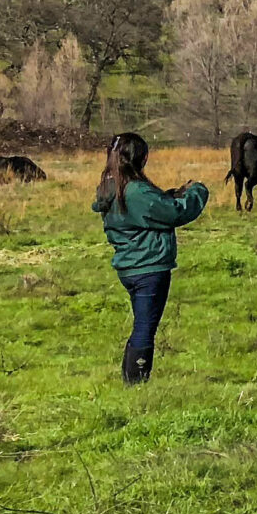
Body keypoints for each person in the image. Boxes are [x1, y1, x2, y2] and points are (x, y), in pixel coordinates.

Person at [93, 132, 207, 386]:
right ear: (138, 158)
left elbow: (147, 211)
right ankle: (136, 384)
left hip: (129, 266)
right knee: (145, 328)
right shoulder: (135, 190)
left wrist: (168, 194)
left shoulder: (111, 187)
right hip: (149, 267)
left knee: (142, 324)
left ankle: (130, 381)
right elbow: (174, 213)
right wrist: (197, 192)